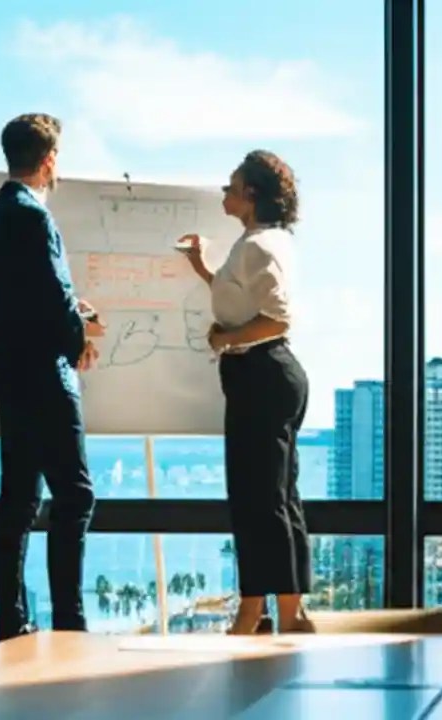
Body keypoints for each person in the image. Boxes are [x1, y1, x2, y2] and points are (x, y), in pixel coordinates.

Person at [0, 113, 104, 640]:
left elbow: (23, 297)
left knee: (18, 502)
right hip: (46, 377)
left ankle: (13, 621)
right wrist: (80, 338)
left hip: (9, 376)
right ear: (49, 159)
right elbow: (51, 299)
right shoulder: (35, 217)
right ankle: (70, 621)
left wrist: (70, 310)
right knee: (74, 497)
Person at [180, 150, 314, 635]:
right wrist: (203, 267)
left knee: (258, 499)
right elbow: (240, 296)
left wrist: (222, 340)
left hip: (261, 374)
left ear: (251, 194)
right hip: (269, 376)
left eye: (231, 185)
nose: (224, 192)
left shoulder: (258, 246)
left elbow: (275, 318)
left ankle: (256, 615)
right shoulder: (264, 242)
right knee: (276, 496)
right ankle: (288, 612)